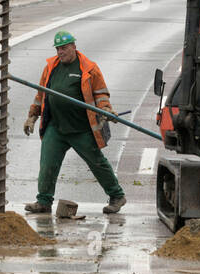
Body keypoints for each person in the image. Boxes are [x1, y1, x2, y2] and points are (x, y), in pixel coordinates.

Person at [23, 30, 127, 215]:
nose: (60, 52)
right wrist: (32, 116)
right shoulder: (50, 67)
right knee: (48, 163)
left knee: (97, 163)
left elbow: (101, 93)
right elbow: (41, 95)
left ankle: (117, 196)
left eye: (64, 48)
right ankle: (44, 201)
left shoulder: (88, 68)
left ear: (73, 47)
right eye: (58, 49)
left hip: (81, 129)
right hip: (56, 127)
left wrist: (106, 109)